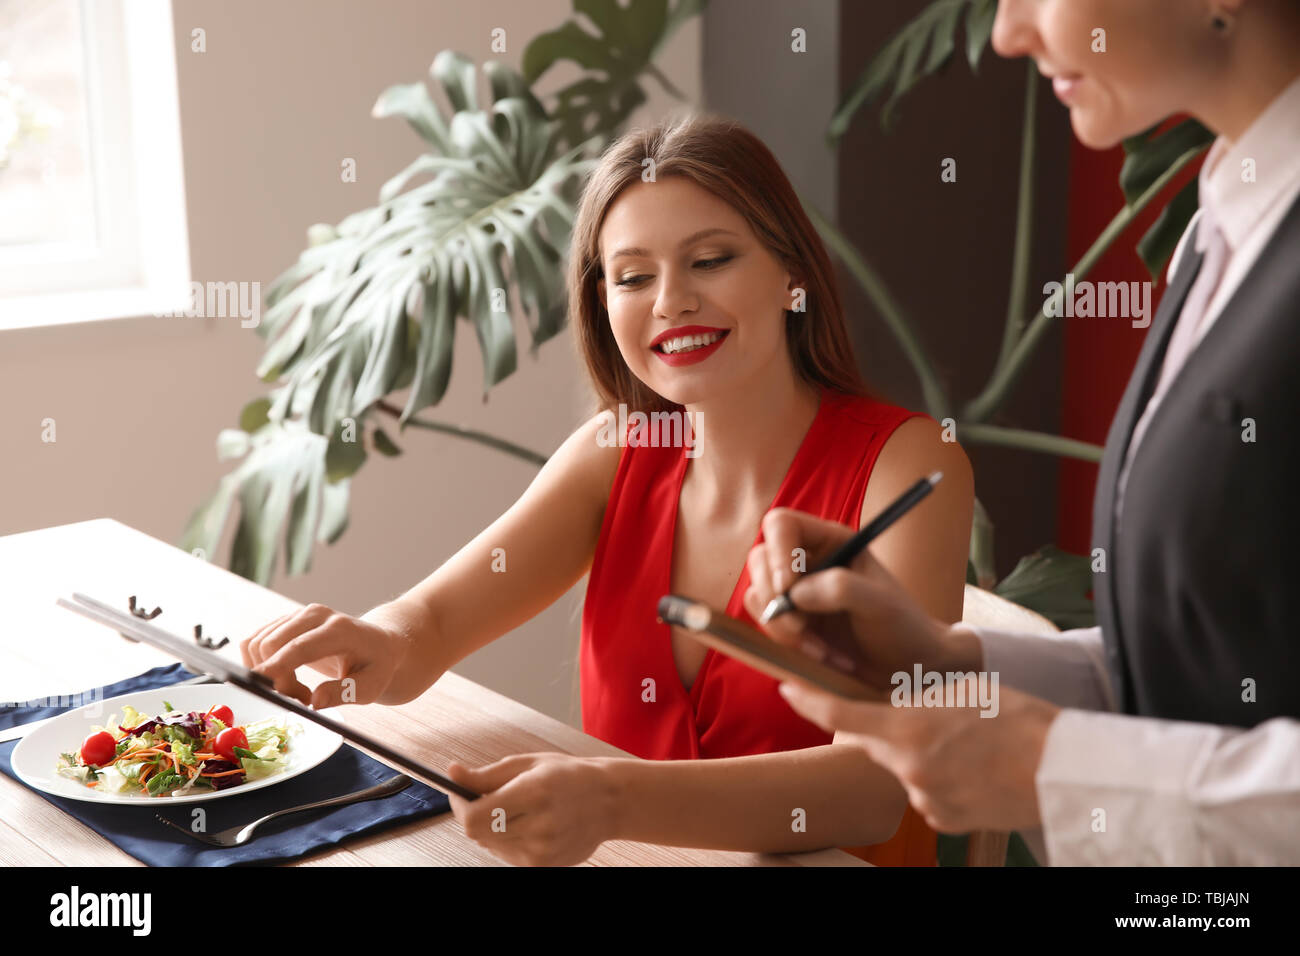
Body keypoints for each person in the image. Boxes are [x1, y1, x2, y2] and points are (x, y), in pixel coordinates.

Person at [240, 113, 975, 866]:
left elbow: (874, 788)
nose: (670, 301)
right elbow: (430, 625)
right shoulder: (617, 451)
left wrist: (614, 798)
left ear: (793, 276)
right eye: (632, 276)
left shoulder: (907, 463)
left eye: (711, 260)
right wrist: (381, 643)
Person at [741, 0, 1300, 865]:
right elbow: (1205, 679)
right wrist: (940, 660)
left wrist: (1058, 769)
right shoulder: (1223, 223)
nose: (1006, 34)